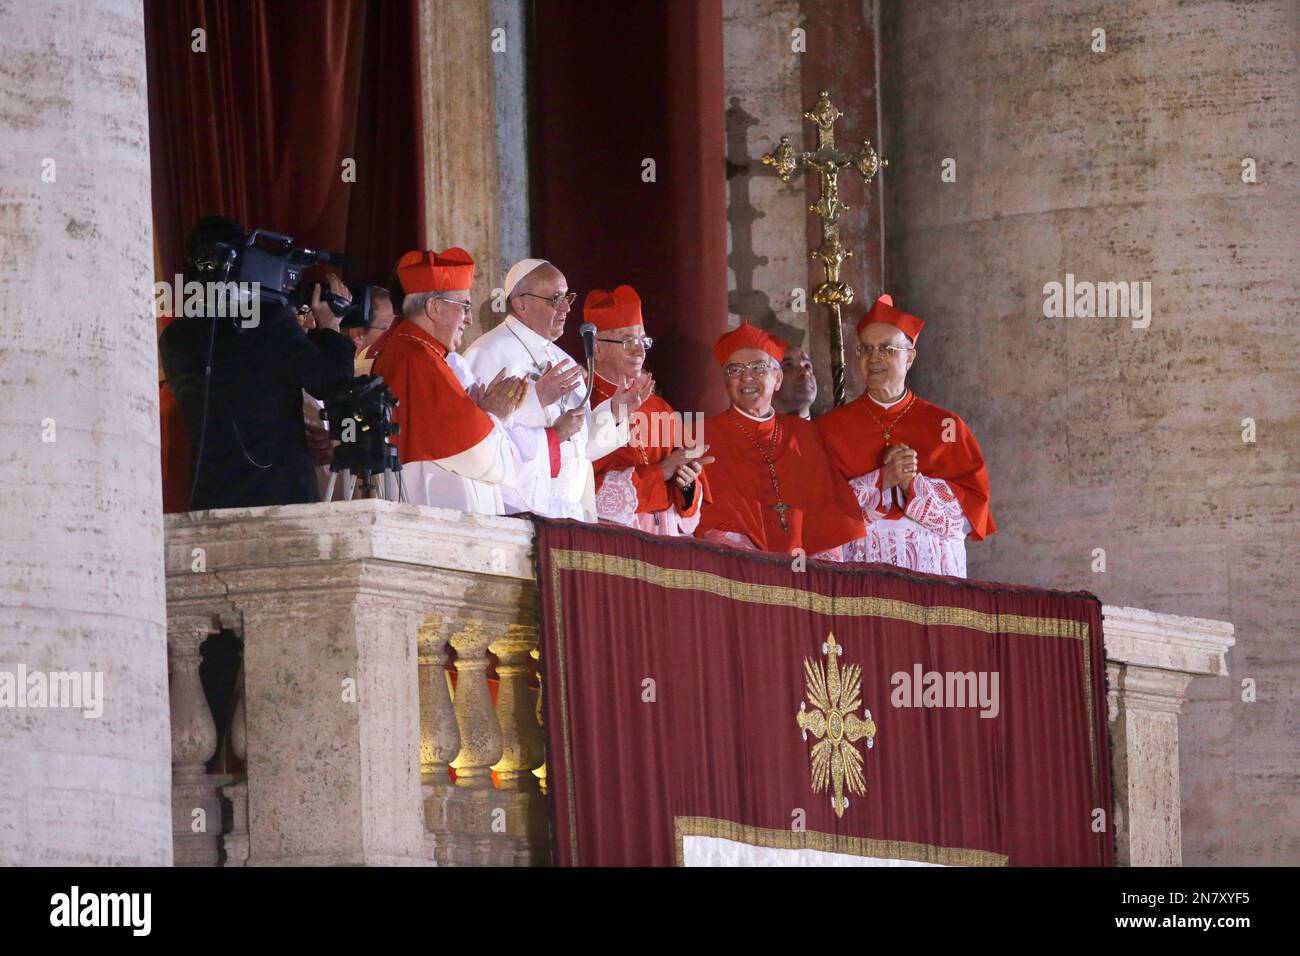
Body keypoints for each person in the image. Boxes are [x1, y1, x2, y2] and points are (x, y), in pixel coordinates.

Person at [159, 216, 355, 510]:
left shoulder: (175, 337)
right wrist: (331, 324)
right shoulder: (269, 320)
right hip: (280, 496)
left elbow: (238, 396)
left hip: (211, 497)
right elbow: (334, 382)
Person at [816, 294, 995, 577]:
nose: (874, 357)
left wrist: (912, 483)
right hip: (861, 577)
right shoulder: (827, 429)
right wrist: (881, 480)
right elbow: (816, 516)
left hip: (932, 575)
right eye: (866, 349)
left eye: (886, 349)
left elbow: (968, 518)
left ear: (909, 357)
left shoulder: (946, 425)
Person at [463, 258, 652, 519]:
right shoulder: (489, 352)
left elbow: (581, 448)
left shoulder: (560, 357)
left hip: (568, 511)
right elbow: (479, 436)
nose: (565, 308)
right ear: (521, 303)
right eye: (554, 299)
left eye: (567, 297)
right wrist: (537, 399)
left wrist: (615, 412)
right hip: (517, 510)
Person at [370, 247, 543, 513]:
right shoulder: (416, 358)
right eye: (464, 306)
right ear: (435, 307)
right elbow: (472, 450)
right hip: (428, 504)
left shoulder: (425, 354)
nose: (470, 318)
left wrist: (483, 414)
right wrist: (494, 415)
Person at [695, 321, 864, 558]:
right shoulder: (700, 436)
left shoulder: (804, 434)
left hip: (804, 575)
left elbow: (825, 510)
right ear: (725, 382)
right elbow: (705, 519)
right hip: (738, 574)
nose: (746, 378)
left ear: (777, 379)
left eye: (758, 368)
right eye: (735, 370)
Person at [587, 285, 712, 535]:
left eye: (643, 340)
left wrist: (686, 484)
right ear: (597, 348)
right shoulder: (583, 402)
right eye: (627, 341)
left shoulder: (662, 409)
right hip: (610, 543)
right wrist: (661, 472)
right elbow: (585, 492)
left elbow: (688, 516)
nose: (640, 350)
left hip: (665, 544)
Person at [774, 345, 817, 419]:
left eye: (807, 366)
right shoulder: (753, 428)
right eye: (789, 365)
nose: (804, 372)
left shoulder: (827, 428)